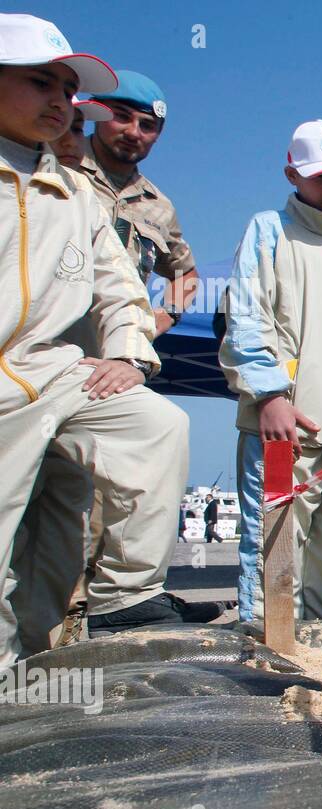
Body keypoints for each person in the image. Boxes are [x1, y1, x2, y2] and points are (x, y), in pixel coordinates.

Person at [1, 14, 193, 664]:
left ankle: (123, 604)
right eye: (39, 83)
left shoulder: (88, 197)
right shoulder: (63, 176)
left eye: (65, 89)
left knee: (152, 429)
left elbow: (127, 282)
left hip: (66, 373)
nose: (57, 102)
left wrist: (134, 350)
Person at [220, 119, 322, 623]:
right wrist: (269, 395)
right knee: (274, 550)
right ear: (292, 174)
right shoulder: (268, 230)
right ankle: (267, 664)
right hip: (287, 429)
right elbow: (246, 316)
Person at [81, 70, 197, 335]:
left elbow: (186, 274)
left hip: (114, 352)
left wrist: (169, 313)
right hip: (38, 345)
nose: (134, 132)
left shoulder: (159, 206)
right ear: (96, 113)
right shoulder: (55, 166)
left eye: (147, 125)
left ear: (159, 133)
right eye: (121, 116)